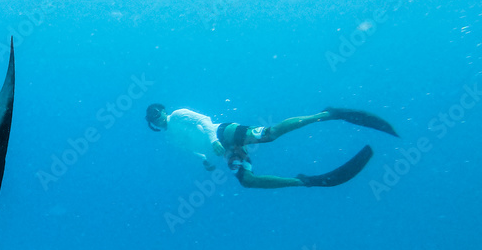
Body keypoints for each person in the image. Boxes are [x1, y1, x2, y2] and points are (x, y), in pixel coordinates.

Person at [144, 104, 398, 189]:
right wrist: (204, 159)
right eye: (152, 119)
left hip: (223, 132)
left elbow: (205, 121)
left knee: (269, 135)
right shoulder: (169, 138)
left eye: (157, 113)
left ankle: (328, 114)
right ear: (152, 124)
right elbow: (190, 149)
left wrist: (213, 140)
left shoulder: (179, 114)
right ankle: (305, 181)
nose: (157, 118)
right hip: (224, 151)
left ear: (163, 110)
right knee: (248, 181)